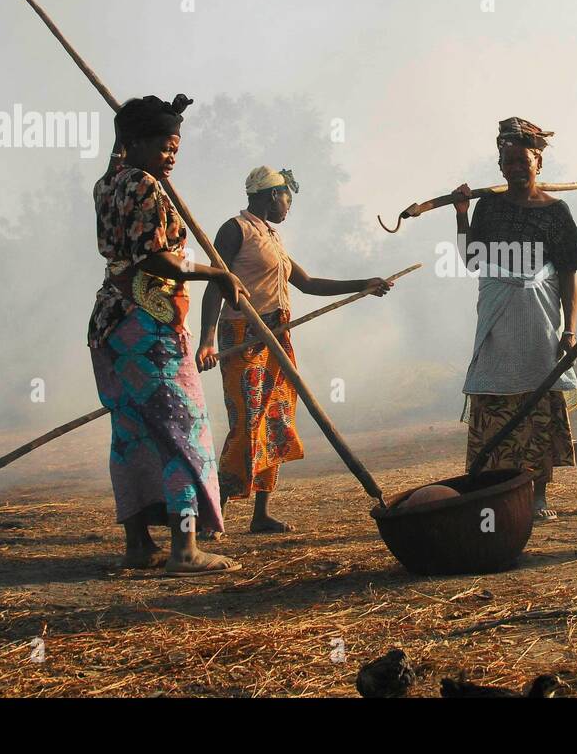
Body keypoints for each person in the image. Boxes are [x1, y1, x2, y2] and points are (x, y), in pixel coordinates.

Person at [88, 94, 247, 575]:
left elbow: (121, 153)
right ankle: (185, 548)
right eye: (163, 145)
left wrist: (153, 121)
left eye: (176, 146)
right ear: (134, 144)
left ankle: (138, 545)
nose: (172, 155)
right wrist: (215, 273)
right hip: (149, 322)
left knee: (132, 433)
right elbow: (154, 257)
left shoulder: (108, 182)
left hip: (109, 327)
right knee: (182, 430)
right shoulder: (142, 184)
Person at [195, 166, 391, 534]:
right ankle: (211, 514)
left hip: (278, 335)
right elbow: (214, 285)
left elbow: (307, 283)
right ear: (272, 195)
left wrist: (363, 284)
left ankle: (261, 514)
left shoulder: (273, 236)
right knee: (247, 420)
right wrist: (206, 340)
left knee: (276, 419)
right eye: (287, 197)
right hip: (244, 336)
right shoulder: (235, 230)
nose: (289, 206)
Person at [451, 117, 577, 521]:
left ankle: (538, 496)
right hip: (497, 318)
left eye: (521, 161)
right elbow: (472, 261)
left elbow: (568, 275)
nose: (514, 168)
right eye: (506, 162)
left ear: (538, 162)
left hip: (540, 320)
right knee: (496, 403)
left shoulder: (557, 212)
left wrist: (570, 330)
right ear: (499, 166)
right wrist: (462, 213)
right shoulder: (489, 206)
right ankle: (499, 495)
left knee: (537, 403)